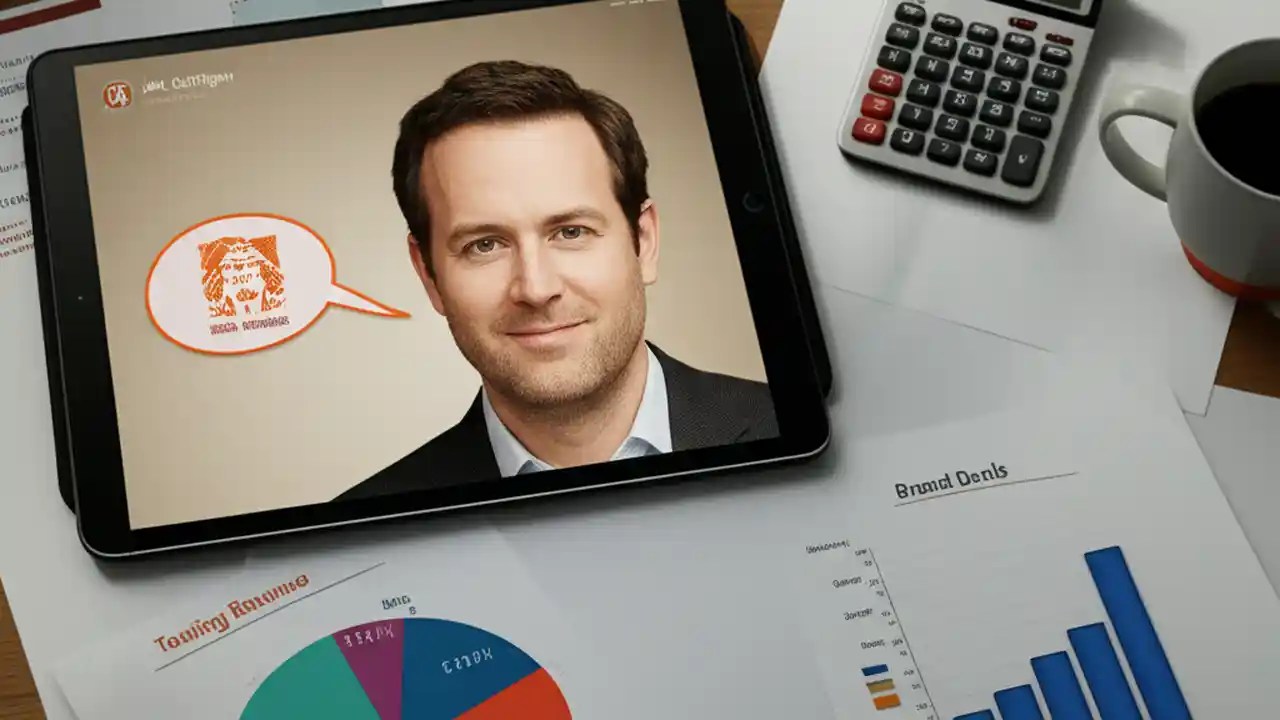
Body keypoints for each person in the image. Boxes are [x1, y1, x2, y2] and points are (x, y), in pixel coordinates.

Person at [339, 61, 776, 499]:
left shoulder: (788, 423)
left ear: (643, 241)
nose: (535, 288)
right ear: (428, 274)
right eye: (485, 245)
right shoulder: (370, 522)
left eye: (571, 232)